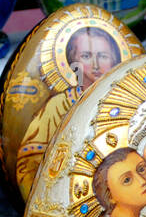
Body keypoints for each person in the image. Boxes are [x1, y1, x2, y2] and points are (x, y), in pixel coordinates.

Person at [15, 25, 123, 196]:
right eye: (86, 56)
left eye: (103, 56)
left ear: (114, 60)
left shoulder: (126, 101)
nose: (95, 65)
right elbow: (29, 160)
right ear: (74, 63)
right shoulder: (58, 106)